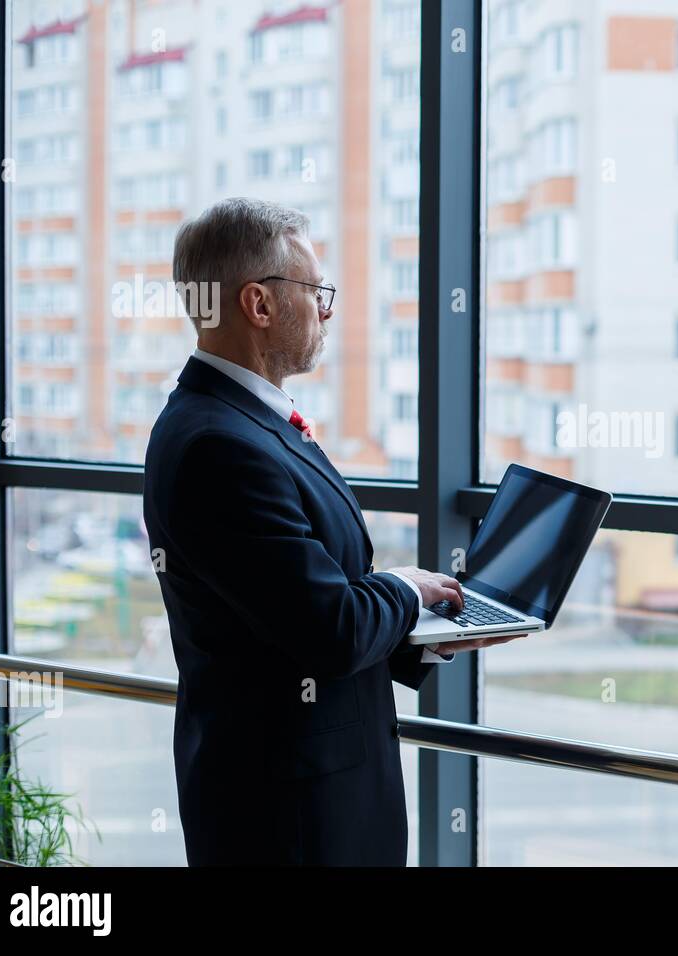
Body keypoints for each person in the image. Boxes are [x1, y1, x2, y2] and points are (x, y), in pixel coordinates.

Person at [143, 197, 517, 865]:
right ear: (258, 305)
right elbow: (328, 629)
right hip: (288, 818)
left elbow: (286, 614)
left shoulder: (239, 422)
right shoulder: (217, 445)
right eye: (316, 290)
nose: (327, 309)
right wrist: (406, 590)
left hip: (305, 794)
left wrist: (424, 636)